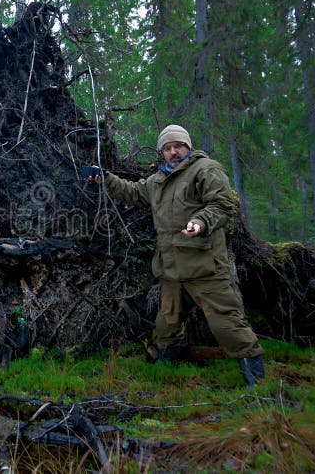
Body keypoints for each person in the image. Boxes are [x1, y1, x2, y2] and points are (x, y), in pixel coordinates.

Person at [90, 124, 264, 387]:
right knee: (166, 325)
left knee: (226, 323)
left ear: (188, 146)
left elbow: (222, 205)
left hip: (204, 266)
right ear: (162, 152)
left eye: (178, 146)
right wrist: (106, 179)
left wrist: (201, 222)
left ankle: (257, 382)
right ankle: (167, 374)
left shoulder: (205, 170)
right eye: (167, 148)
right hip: (171, 269)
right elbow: (134, 192)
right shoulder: (158, 180)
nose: (173, 152)